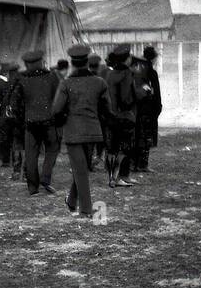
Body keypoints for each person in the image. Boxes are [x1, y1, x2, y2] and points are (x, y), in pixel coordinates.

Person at [51, 44, 110, 220]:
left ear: (73, 63)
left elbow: (55, 110)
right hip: (92, 130)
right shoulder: (100, 82)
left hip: (73, 131)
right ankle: (71, 201)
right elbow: (107, 107)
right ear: (86, 62)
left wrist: (64, 120)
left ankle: (85, 210)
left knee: (80, 170)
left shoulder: (66, 83)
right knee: (81, 168)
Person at [17, 50, 61, 194]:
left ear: (27, 64)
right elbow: (58, 98)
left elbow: (17, 102)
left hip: (30, 122)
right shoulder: (51, 76)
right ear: (41, 62)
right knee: (53, 148)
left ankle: (32, 187)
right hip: (49, 120)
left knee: (31, 154)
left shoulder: (21, 78)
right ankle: (46, 177)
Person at [103, 44, 142, 187]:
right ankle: (120, 177)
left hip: (110, 117)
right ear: (127, 59)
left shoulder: (110, 74)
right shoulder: (127, 74)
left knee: (112, 149)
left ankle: (113, 178)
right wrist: (140, 93)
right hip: (124, 116)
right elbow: (126, 99)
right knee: (125, 148)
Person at [131, 46, 162, 174]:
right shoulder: (151, 72)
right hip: (148, 108)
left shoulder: (137, 71)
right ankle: (143, 165)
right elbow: (156, 92)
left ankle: (134, 164)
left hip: (137, 108)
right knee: (147, 136)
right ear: (154, 58)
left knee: (137, 135)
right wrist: (158, 107)